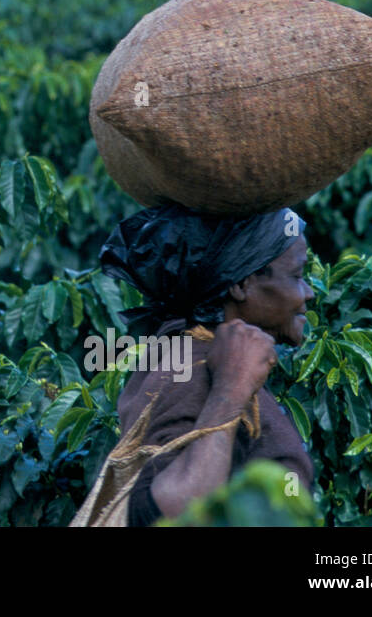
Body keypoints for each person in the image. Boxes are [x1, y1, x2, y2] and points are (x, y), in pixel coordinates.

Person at [97, 202, 316, 525]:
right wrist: (231, 391)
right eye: (297, 275)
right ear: (241, 284)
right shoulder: (198, 367)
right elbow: (164, 511)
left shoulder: (194, 352)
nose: (309, 293)